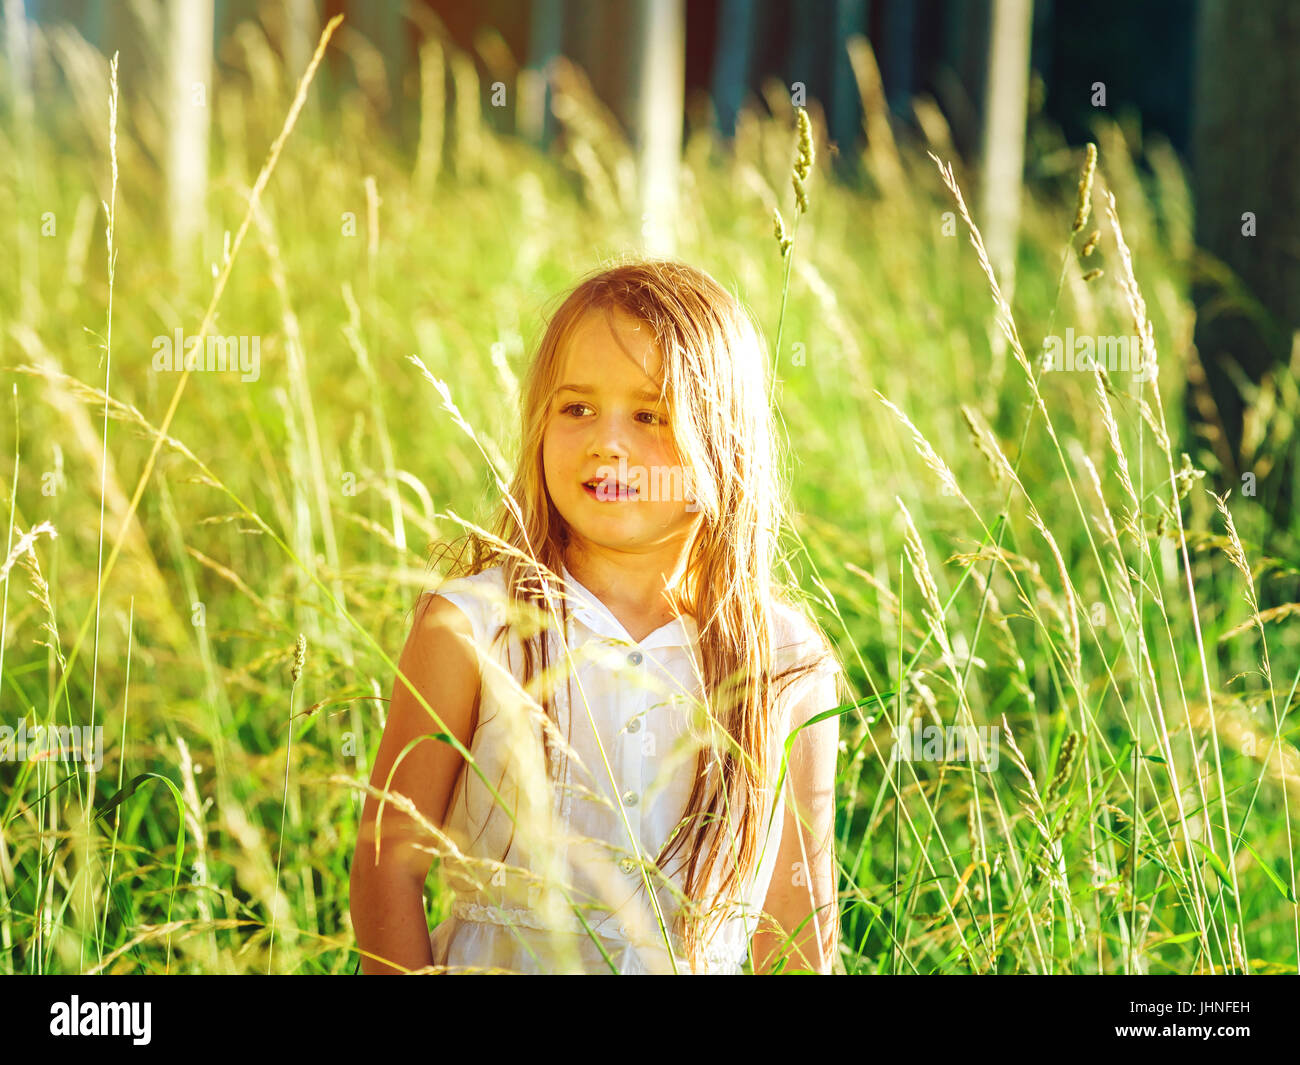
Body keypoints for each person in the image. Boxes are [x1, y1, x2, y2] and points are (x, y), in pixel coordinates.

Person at [350, 258, 845, 974]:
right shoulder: (471, 626)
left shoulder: (784, 664)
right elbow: (386, 862)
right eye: (576, 407)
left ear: (724, 441)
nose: (606, 440)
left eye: (650, 414)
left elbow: (798, 925)